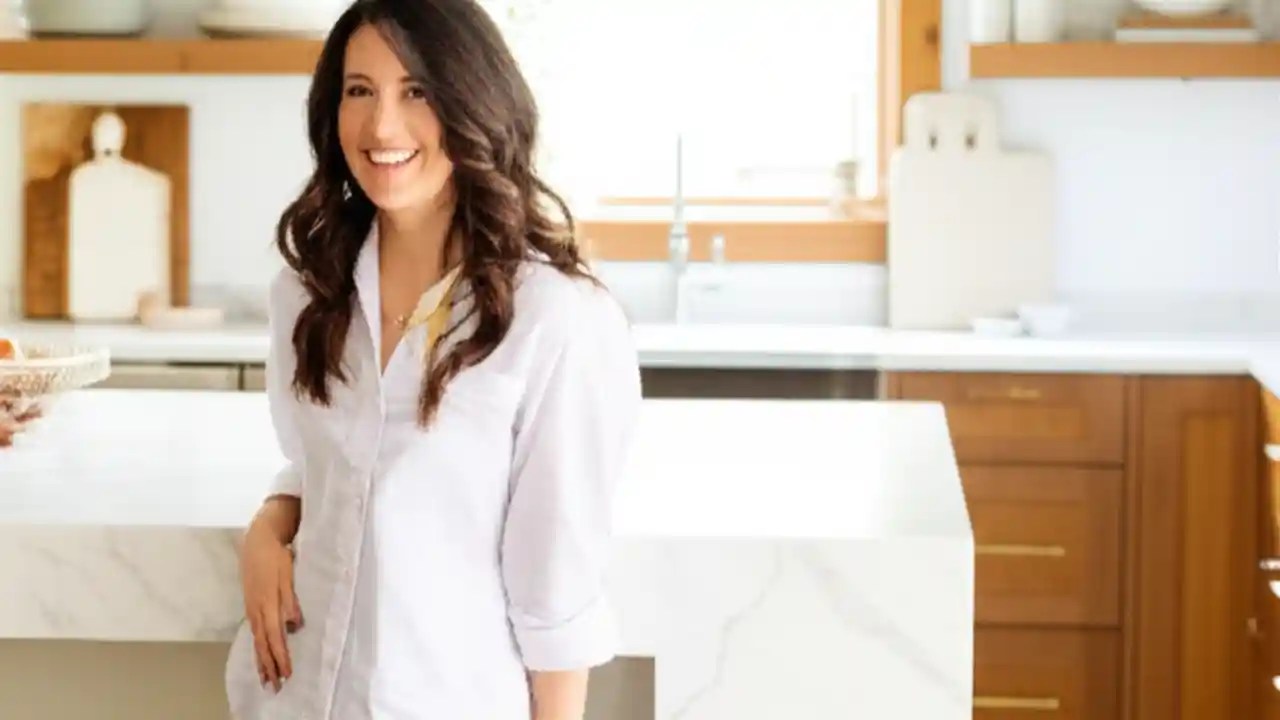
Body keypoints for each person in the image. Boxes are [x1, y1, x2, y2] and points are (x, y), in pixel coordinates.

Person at [224, 1, 642, 718]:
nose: (382, 126)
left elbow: (557, 601)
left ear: (473, 100)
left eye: (417, 91)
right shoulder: (307, 293)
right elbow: (331, 464)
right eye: (360, 91)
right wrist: (268, 528)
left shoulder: (555, 320)